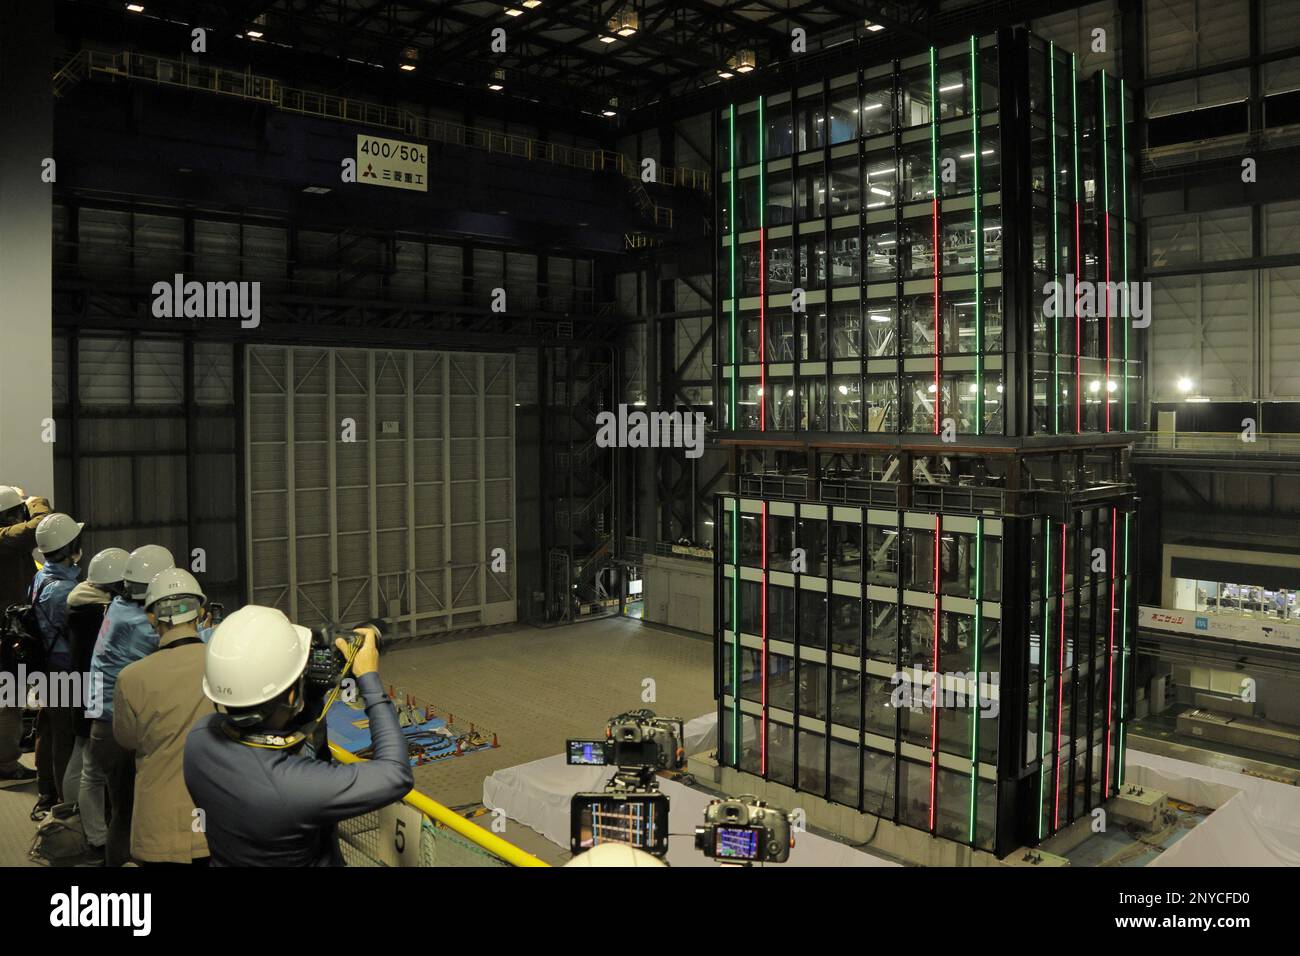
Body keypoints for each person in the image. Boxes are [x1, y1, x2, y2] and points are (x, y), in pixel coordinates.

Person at [184, 606, 412, 866]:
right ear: (292, 695)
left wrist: (309, 695)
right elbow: (396, 774)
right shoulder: (291, 787)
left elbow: (273, 736)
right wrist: (368, 677)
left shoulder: (199, 739)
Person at [113, 568, 211, 866]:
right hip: (217, 812)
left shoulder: (131, 677)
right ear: (201, 613)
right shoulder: (224, 663)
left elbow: (126, 739)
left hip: (159, 821)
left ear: (152, 618)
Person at [84, 544, 174, 866]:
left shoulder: (120, 607)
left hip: (104, 725)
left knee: (123, 811)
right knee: (127, 815)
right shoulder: (141, 625)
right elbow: (181, 647)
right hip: (116, 729)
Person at [64, 546, 129, 861]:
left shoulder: (80, 602)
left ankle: (91, 833)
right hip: (97, 697)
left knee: (85, 765)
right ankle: (96, 837)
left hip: (81, 692)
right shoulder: (103, 613)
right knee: (90, 770)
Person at [28, 512, 84, 820]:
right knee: (66, 736)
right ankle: (64, 804)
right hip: (61, 671)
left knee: (46, 729)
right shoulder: (63, 591)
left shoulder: (41, 577)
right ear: (68, 547)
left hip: (44, 668)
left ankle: (47, 790)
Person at [0, 484, 49, 789]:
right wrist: (36, 502)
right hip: (7, 634)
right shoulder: (5, 539)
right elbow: (38, 528)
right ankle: (5, 762)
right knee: (9, 700)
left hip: (10, 630)